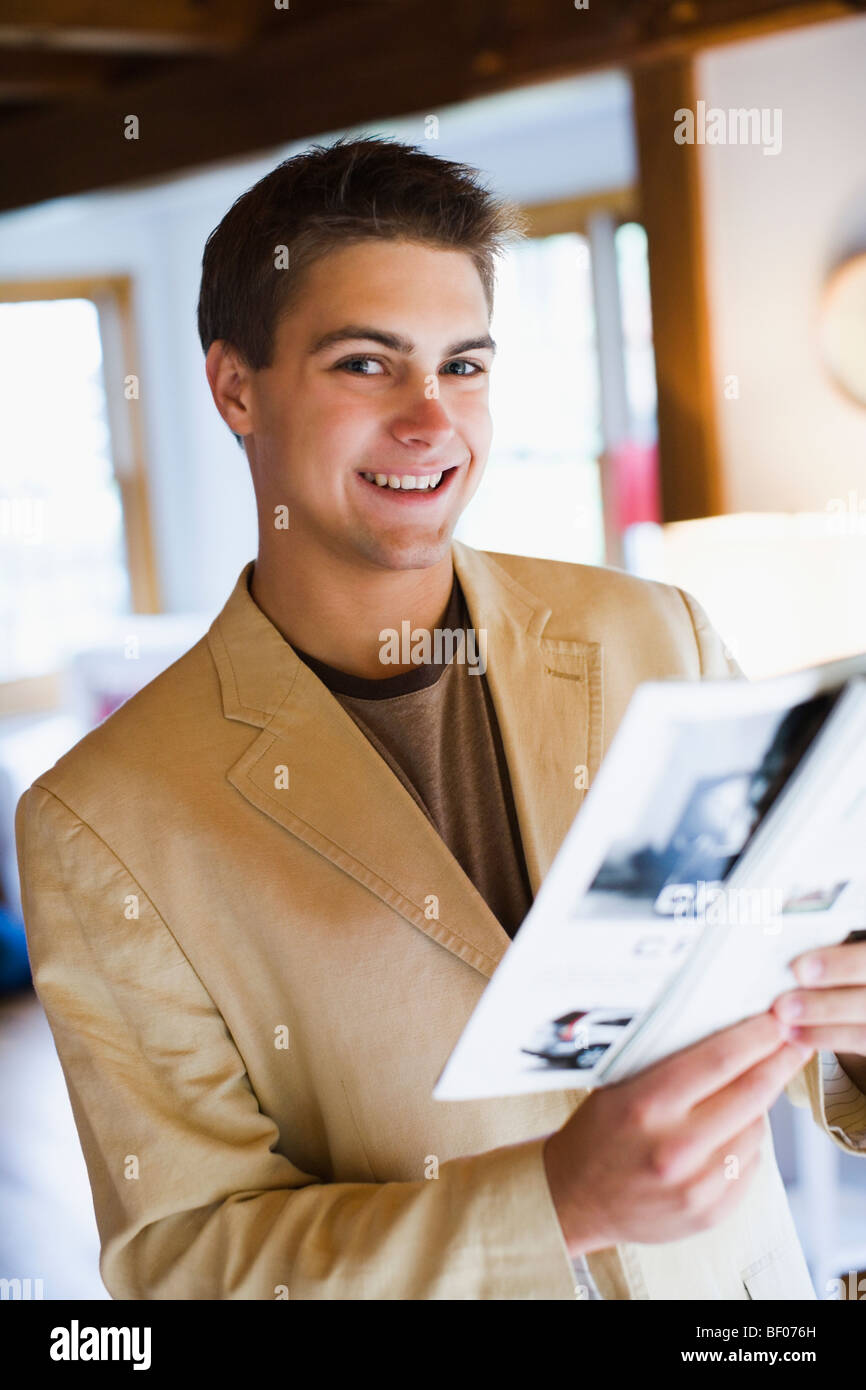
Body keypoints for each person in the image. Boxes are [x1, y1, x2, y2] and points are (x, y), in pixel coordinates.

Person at [15, 135, 866, 1300]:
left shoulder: (654, 635)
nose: (430, 419)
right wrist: (551, 1204)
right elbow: (187, 1264)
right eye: (365, 364)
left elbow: (788, 989)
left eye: (461, 365)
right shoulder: (100, 821)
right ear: (235, 387)